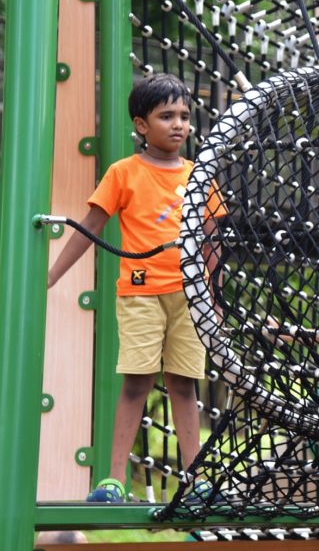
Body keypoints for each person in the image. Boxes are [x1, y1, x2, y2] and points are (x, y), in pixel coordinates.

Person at [48, 73, 225, 504]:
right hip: (141, 292)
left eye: (184, 116)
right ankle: (112, 480)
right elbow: (91, 227)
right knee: (136, 382)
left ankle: (195, 478)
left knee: (185, 384)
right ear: (141, 125)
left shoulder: (199, 175)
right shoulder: (124, 172)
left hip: (189, 297)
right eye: (167, 116)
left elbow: (212, 240)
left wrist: (214, 298)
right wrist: (50, 276)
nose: (179, 124)